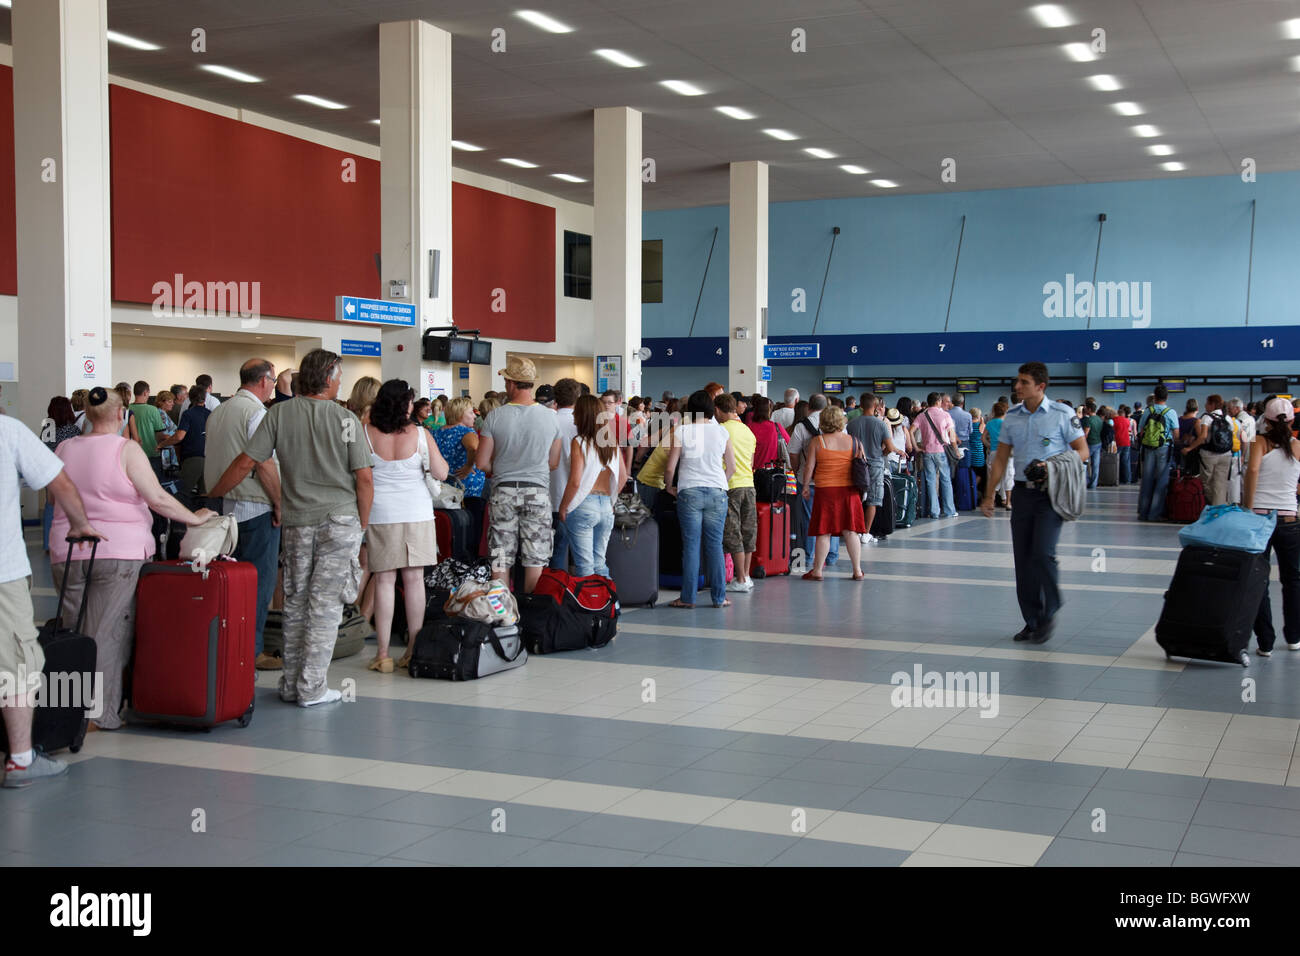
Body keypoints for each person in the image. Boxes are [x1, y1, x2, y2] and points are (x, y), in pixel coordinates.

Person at [209, 348, 372, 707]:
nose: (341, 381)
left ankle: (292, 681)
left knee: (296, 600)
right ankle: (312, 687)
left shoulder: (278, 413)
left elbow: (247, 461)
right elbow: (364, 479)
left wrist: (213, 495)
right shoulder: (345, 419)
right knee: (326, 602)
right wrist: (362, 525)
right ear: (328, 377)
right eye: (339, 375)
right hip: (339, 520)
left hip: (298, 521)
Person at [51, 387, 214, 731]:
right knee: (105, 634)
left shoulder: (65, 447)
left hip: (66, 551)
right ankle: (97, 716)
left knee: (72, 632)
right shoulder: (127, 450)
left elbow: (52, 493)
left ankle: (67, 712)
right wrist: (194, 518)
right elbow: (156, 497)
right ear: (120, 413)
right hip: (118, 552)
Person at [1, 413, 102, 787]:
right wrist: (80, 523)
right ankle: (21, 760)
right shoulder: (7, 431)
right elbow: (57, 480)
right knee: (16, 664)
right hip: (2, 572)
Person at [981, 362, 1088, 645]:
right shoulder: (1012, 417)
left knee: (1042, 552)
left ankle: (1050, 609)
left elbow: (1083, 451)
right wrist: (990, 494)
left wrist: (1052, 465)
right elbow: (1002, 457)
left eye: (1024, 382)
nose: (1017, 387)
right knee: (1023, 560)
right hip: (1023, 494)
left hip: (1051, 493)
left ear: (1041, 386)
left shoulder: (1062, 414)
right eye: (1017, 381)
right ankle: (1032, 620)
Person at [203, 358, 284, 671]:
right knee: (258, 585)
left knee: (231, 583)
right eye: (273, 382)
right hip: (255, 506)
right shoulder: (256, 413)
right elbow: (263, 463)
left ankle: (230, 644)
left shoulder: (219, 411)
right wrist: (279, 503)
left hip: (224, 508)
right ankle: (253, 651)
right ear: (264, 380)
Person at [363, 380, 447, 672]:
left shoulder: (366, 432)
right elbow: (442, 471)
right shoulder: (421, 435)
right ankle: (412, 648)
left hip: (380, 515)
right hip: (417, 514)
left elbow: (360, 477)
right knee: (414, 582)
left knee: (384, 581)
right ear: (405, 404)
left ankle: (382, 653)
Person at [475, 357, 562, 593]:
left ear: (511, 383)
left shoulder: (494, 416)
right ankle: (532, 613)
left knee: (501, 555)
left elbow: (481, 462)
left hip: (503, 490)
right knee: (535, 556)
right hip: (537, 492)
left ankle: (503, 614)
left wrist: (501, 467)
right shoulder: (551, 418)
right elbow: (553, 462)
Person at [664, 390, 735, 609]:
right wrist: (719, 483)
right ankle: (719, 597)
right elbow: (732, 467)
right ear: (711, 409)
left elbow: (670, 467)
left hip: (689, 492)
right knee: (714, 546)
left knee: (691, 546)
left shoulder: (682, 431)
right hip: (717, 492)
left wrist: (669, 487)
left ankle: (688, 598)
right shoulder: (722, 432)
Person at [1241, 398, 1300, 656]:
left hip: (1261, 518)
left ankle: (1265, 642)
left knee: (1259, 580)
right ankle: (1295, 637)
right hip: (1290, 519)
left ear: (1265, 419)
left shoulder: (1259, 442)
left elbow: (1252, 471)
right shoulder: (1298, 446)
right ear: (1292, 420)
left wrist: (1248, 508)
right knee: (1293, 580)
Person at [557, 394, 626, 578]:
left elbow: (575, 481)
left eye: (576, 413)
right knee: (599, 563)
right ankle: (610, 604)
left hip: (583, 506)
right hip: (606, 506)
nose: (573, 417)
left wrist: (563, 506)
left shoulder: (579, 442)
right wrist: (611, 499)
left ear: (583, 415)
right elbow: (623, 477)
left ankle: (589, 606)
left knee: (585, 566)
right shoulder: (611, 443)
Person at [801, 406, 867, 580]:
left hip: (825, 491)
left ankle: (817, 571)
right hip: (849, 491)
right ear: (841, 421)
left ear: (823, 421)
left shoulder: (818, 441)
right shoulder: (854, 441)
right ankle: (857, 570)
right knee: (850, 530)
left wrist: (806, 486)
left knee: (824, 531)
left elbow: (809, 467)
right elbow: (862, 463)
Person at [789, 394, 840, 565]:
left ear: (809, 407)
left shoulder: (801, 427)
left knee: (810, 520)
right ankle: (831, 556)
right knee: (832, 519)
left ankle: (810, 557)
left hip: (808, 481)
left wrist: (797, 471)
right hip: (833, 481)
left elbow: (793, 454)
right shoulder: (839, 426)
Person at [715, 394, 758, 593]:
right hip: (749, 485)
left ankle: (739, 578)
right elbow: (750, 463)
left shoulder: (721, 430)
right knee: (748, 530)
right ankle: (746, 576)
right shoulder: (748, 432)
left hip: (730, 485)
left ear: (717, 410)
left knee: (733, 532)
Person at [436, 396, 489, 552]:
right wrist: (468, 466)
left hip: (446, 490)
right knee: (472, 530)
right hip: (469, 489)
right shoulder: (466, 431)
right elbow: (473, 448)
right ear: (460, 414)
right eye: (471, 413)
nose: (474, 416)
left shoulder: (437, 432)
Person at [847, 394, 898, 543]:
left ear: (860, 406)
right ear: (875, 406)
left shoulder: (852, 424)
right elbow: (889, 447)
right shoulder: (881, 424)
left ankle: (854, 530)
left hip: (856, 463)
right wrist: (881, 454)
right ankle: (866, 533)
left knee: (856, 497)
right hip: (875, 463)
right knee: (873, 499)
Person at [544, 379, 580, 571]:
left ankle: (554, 593)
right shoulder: (582, 423)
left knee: (554, 551)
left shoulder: (547, 421)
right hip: (576, 497)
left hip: (549, 494)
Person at [41, 397, 81, 552]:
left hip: (51, 470)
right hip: (70, 471)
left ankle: (47, 543)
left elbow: (44, 449)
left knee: (50, 506)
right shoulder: (74, 429)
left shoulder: (47, 426)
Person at [912, 392, 959, 519]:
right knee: (946, 480)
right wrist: (956, 450)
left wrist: (916, 447)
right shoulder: (945, 415)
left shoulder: (922, 416)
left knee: (931, 481)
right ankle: (949, 510)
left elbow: (911, 431)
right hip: (941, 452)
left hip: (927, 452)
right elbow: (952, 435)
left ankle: (934, 511)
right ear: (938, 402)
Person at [1136, 385, 1179, 521]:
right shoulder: (1171, 412)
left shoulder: (1148, 411)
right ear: (1167, 397)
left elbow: (1141, 432)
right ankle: (1155, 514)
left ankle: (1143, 513)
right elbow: (1176, 434)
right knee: (1161, 481)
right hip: (1164, 448)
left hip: (1148, 448)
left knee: (1147, 480)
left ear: (1154, 396)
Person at [1184, 394, 1235, 506]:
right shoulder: (1227, 418)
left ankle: (1211, 506)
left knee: (1206, 482)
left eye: (1207, 403)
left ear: (1212, 404)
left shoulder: (1207, 417)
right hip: (1226, 454)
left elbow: (1202, 437)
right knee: (1220, 484)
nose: (1205, 405)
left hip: (1209, 455)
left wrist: (1189, 448)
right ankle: (1219, 508)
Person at [167, 384, 211, 510]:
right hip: (209, 459)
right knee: (204, 497)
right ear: (205, 398)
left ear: (190, 399)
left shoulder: (188, 414)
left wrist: (162, 444)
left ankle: (180, 526)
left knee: (182, 494)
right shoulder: (211, 414)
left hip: (193, 458)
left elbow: (179, 436)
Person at [128, 381, 170, 481]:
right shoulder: (152, 410)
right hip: (152, 454)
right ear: (146, 392)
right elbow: (159, 434)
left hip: (132, 455)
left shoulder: (127, 409)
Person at [747, 396, 791, 471]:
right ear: (769, 411)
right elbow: (789, 444)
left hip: (751, 472)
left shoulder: (748, 428)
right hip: (771, 472)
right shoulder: (776, 427)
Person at [986, 401, 1012, 509]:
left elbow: (983, 438)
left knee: (994, 476)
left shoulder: (989, 423)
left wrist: (990, 445)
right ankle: (1008, 503)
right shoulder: (1007, 424)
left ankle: (992, 502)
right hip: (1006, 453)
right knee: (1008, 477)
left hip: (993, 452)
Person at [1081, 401, 1103, 488]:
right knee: (1095, 465)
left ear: (1089, 409)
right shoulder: (1099, 419)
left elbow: (1086, 433)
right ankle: (1094, 484)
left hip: (1090, 444)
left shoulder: (1088, 420)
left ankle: (1086, 481)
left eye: (1086, 408)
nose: (1085, 409)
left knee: (1083, 463)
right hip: (1098, 442)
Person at [968, 407, 988, 501]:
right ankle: (975, 487)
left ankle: (971, 487)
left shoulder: (968, 425)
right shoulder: (981, 425)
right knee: (981, 473)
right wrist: (982, 420)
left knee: (971, 472)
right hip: (979, 452)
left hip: (970, 452)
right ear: (979, 416)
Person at [1113, 404, 1133, 485]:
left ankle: (1117, 478)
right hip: (1127, 442)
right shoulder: (1127, 420)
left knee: (1116, 461)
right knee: (1126, 462)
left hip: (1118, 442)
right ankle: (1127, 479)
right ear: (1123, 414)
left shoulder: (1114, 420)